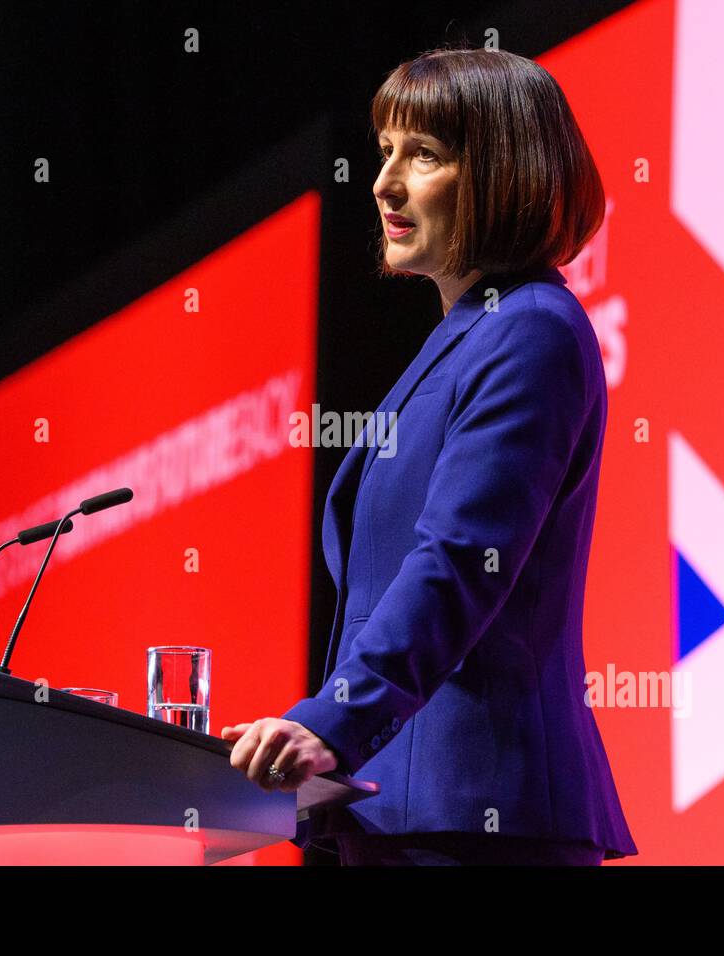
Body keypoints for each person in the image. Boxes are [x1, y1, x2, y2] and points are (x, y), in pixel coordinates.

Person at [222, 46, 638, 866]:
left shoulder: (531, 331)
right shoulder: (466, 340)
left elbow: (458, 564)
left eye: (424, 155)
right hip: (401, 816)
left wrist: (330, 722)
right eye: (385, 152)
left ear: (504, 173)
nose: (384, 183)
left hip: (480, 817)